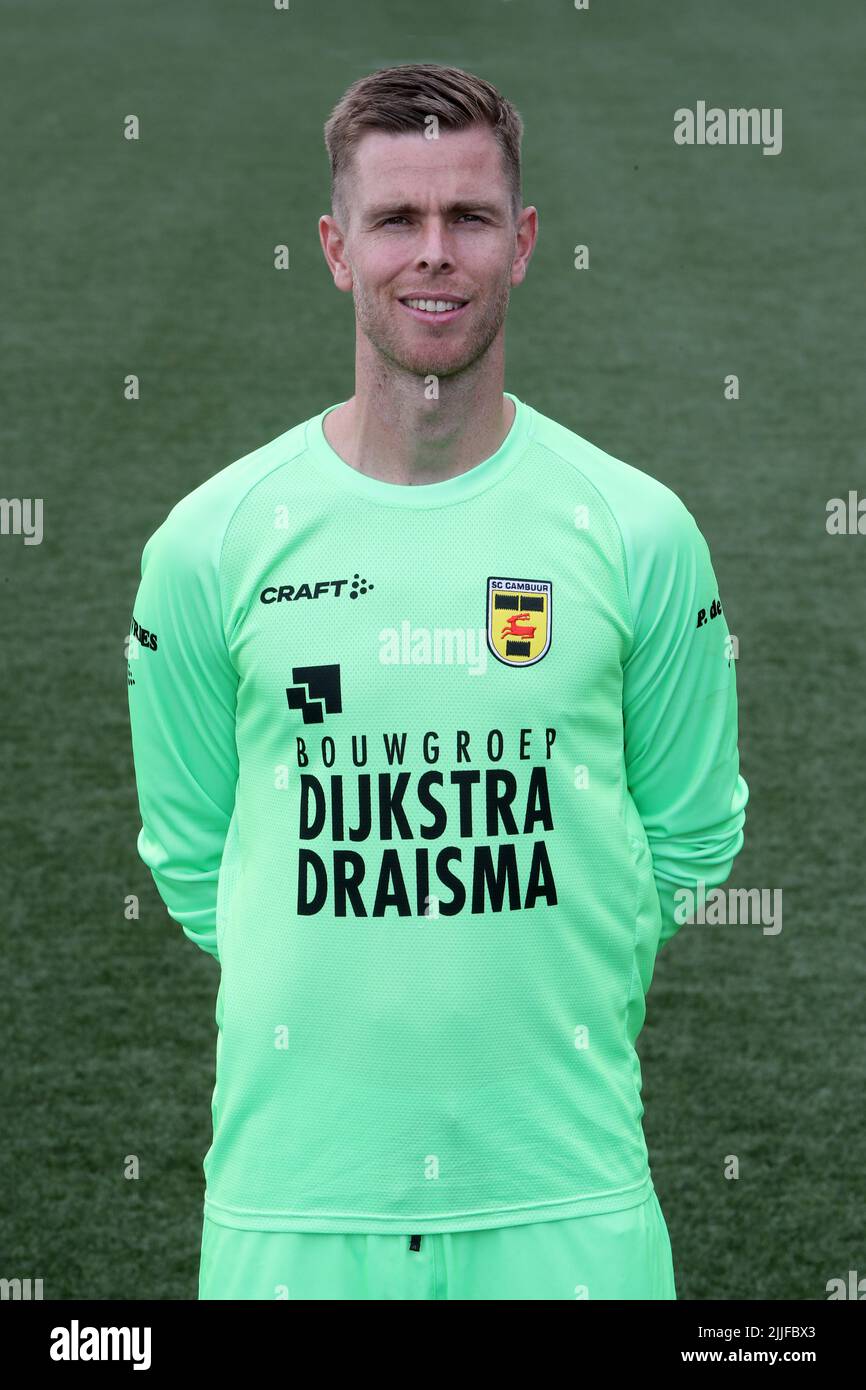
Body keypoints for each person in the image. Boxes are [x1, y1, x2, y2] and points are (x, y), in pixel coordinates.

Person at [127, 62, 748, 1300]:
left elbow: (689, 839)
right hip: (295, 1209)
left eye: (467, 218)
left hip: (562, 1197)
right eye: (395, 220)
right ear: (334, 247)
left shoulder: (634, 531)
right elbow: (199, 862)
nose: (433, 253)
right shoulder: (208, 544)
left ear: (520, 246)